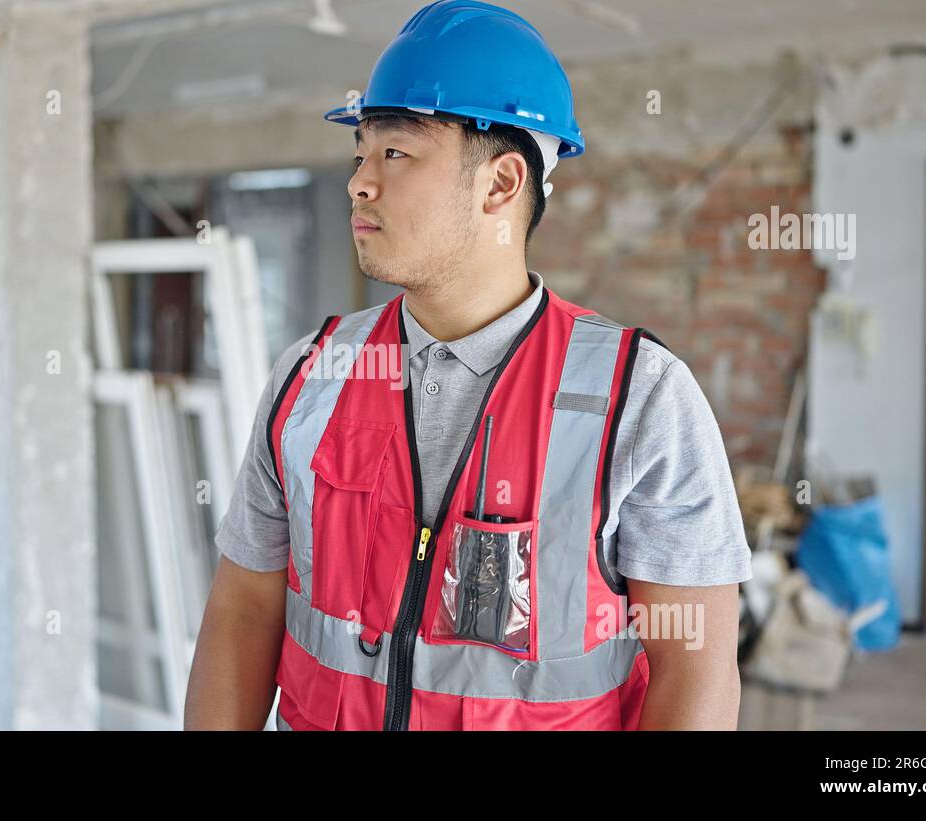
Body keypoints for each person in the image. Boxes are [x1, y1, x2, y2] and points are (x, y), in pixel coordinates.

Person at [185, 0, 751, 731]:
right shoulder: (311, 376)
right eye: (360, 153)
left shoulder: (638, 399)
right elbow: (243, 611)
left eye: (395, 152)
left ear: (501, 184)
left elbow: (695, 673)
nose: (359, 181)